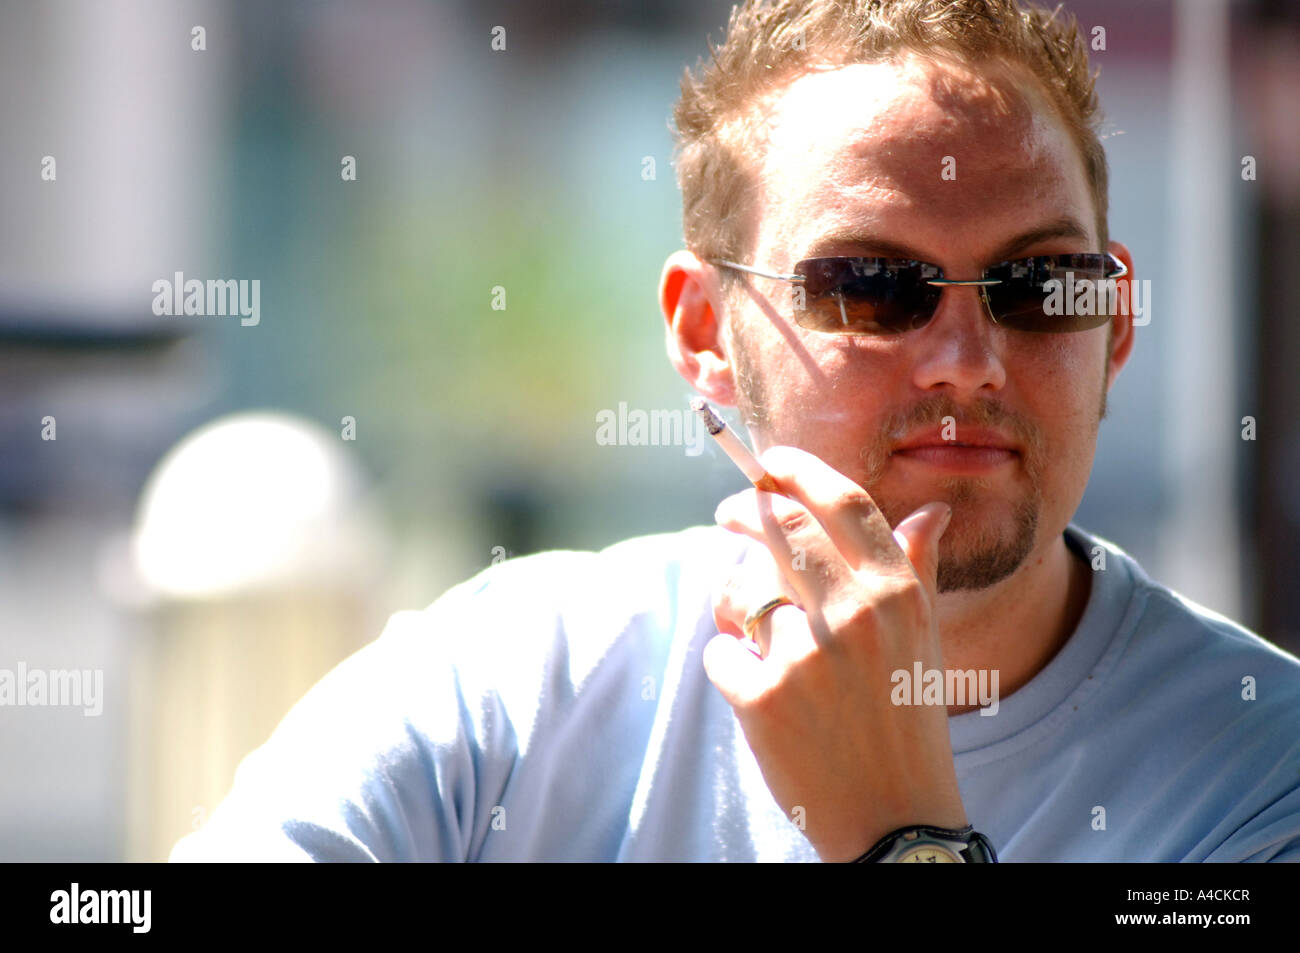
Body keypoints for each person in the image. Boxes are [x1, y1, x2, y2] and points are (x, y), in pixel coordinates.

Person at [170, 0, 1300, 862]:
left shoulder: (1262, 769)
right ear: (705, 329)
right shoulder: (508, 692)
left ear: (1113, 324)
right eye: (871, 283)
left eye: (1040, 282)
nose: (969, 357)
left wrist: (898, 835)